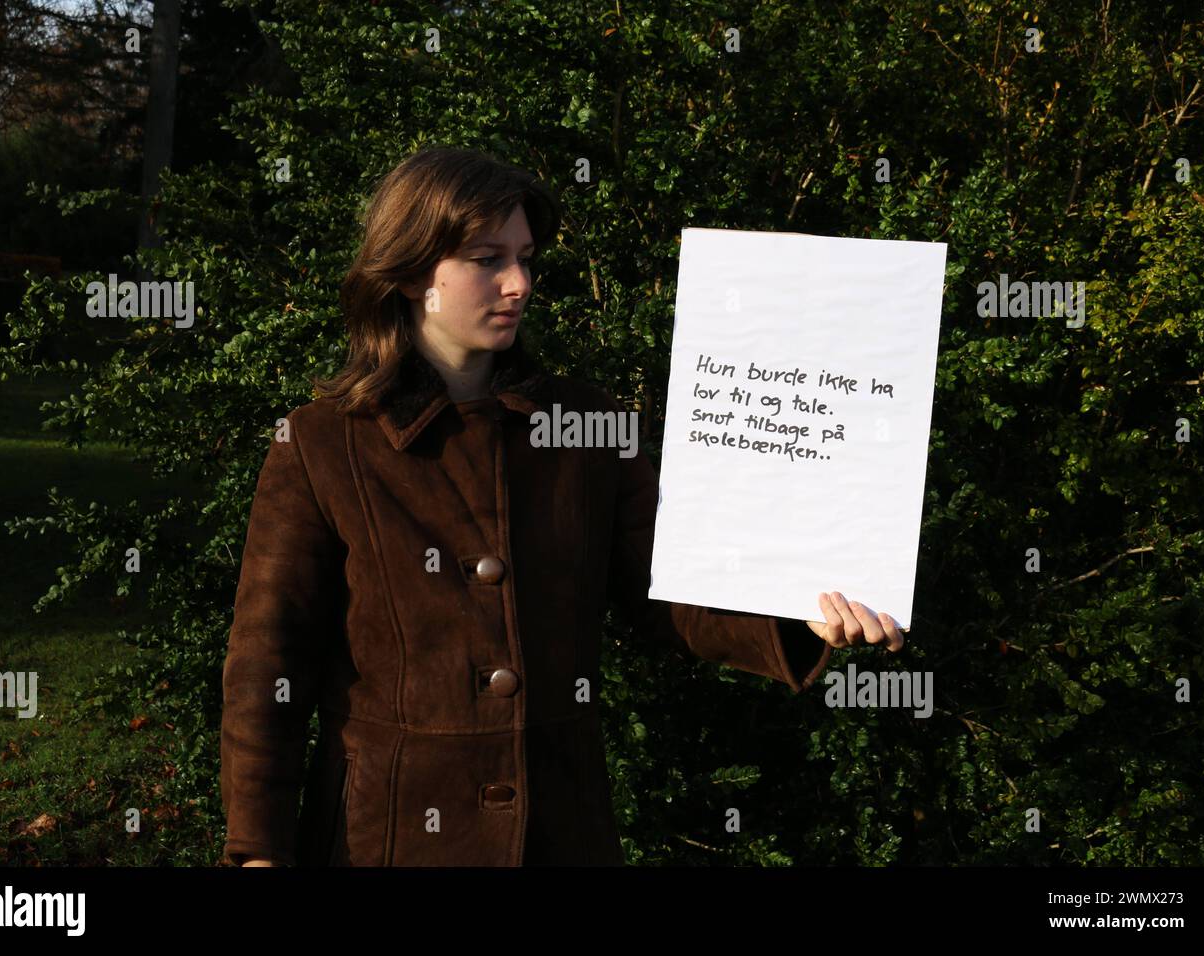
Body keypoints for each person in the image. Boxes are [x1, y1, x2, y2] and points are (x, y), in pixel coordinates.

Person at [221, 146, 905, 867]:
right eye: (489, 258)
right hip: (385, 836)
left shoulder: (586, 424)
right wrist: (256, 849)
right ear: (414, 268)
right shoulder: (323, 443)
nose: (518, 283)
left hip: (563, 831)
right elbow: (268, 662)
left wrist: (796, 609)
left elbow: (667, 594)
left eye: (525, 257)